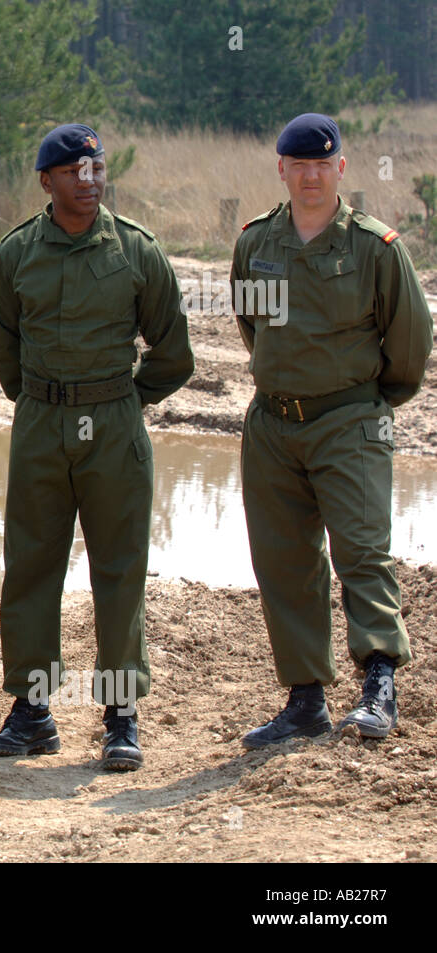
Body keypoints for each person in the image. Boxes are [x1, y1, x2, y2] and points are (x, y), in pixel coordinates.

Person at [0, 124, 193, 771]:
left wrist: (122, 400)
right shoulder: (17, 254)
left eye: (96, 167)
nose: (88, 179)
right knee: (31, 567)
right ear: (46, 181)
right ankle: (32, 711)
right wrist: (42, 399)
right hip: (42, 422)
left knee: (120, 570)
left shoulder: (137, 251)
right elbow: (4, 348)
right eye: (72, 170)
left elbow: (173, 351)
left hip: (113, 425)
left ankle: (121, 715)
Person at [234, 114, 432, 749]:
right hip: (273, 427)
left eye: (324, 164)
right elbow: (251, 328)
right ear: (282, 169)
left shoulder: (375, 247)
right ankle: (305, 700)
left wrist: (367, 404)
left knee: (361, 553)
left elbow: (410, 344)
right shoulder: (256, 243)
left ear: (340, 168)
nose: (312, 175)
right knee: (285, 561)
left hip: (350, 423)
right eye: (300, 165)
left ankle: (379, 685)